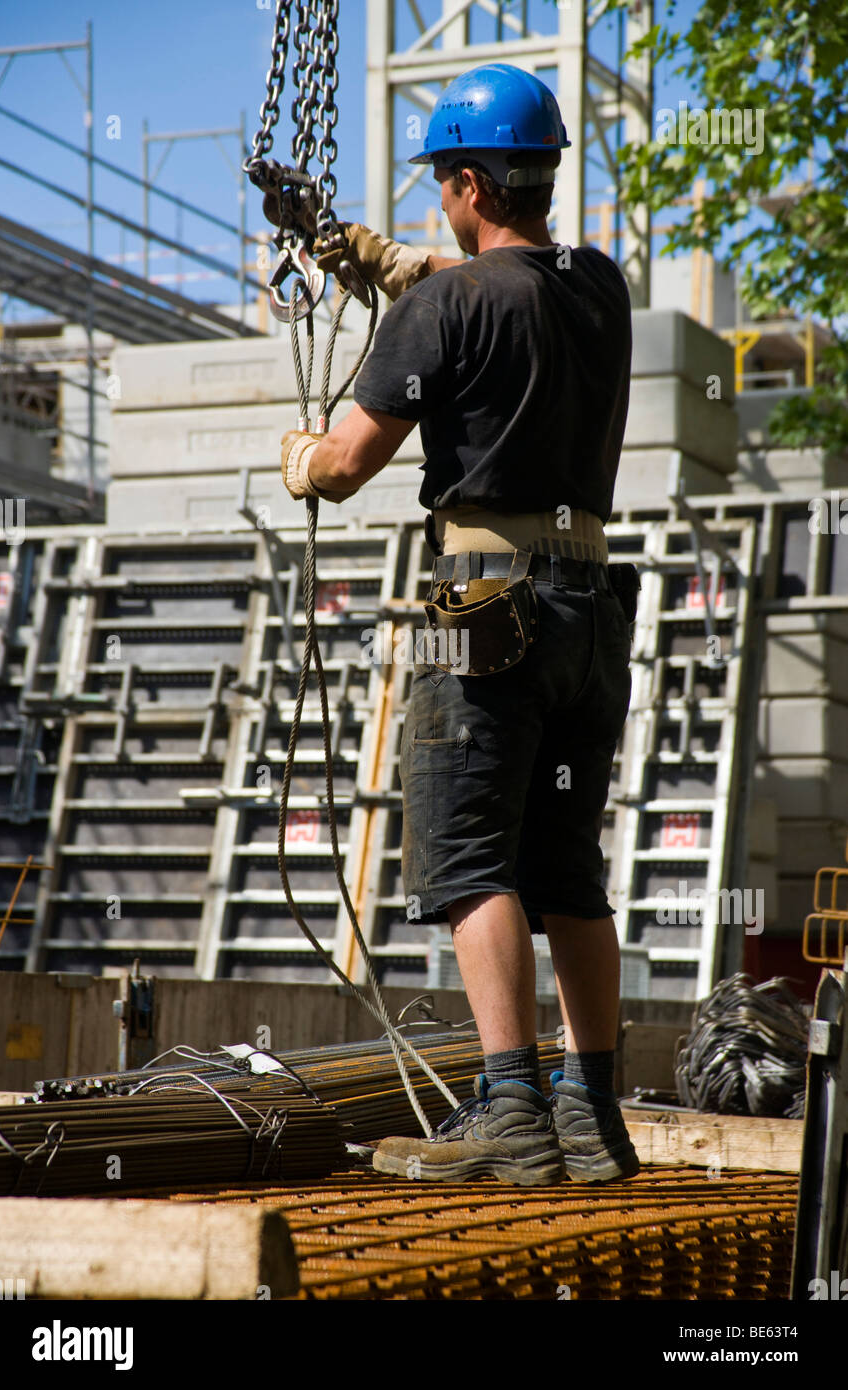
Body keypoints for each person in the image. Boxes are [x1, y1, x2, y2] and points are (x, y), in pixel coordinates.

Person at [281, 62, 639, 1186]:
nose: (440, 197)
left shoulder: (443, 308)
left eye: (445, 180)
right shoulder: (599, 287)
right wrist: (388, 263)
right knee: (565, 869)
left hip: (480, 611)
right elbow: (508, 281)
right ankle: (589, 1113)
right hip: (589, 607)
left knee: (466, 856)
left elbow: (345, 465)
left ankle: (508, 1112)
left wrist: (302, 463)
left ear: (473, 182)